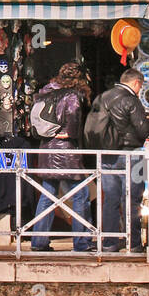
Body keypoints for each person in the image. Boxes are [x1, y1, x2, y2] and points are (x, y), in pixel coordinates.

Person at [84, 67, 149, 252]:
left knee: (110, 199)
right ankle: (133, 243)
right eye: (140, 86)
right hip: (130, 155)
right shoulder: (131, 100)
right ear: (136, 83)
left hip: (106, 155)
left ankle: (109, 243)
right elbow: (142, 129)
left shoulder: (101, 97)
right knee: (131, 198)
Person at [27, 61, 91, 253]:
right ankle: (82, 243)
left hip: (47, 148)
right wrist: (71, 133)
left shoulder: (46, 90)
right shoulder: (71, 95)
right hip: (65, 152)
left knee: (47, 195)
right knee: (81, 196)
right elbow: (72, 115)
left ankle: (38, 241)